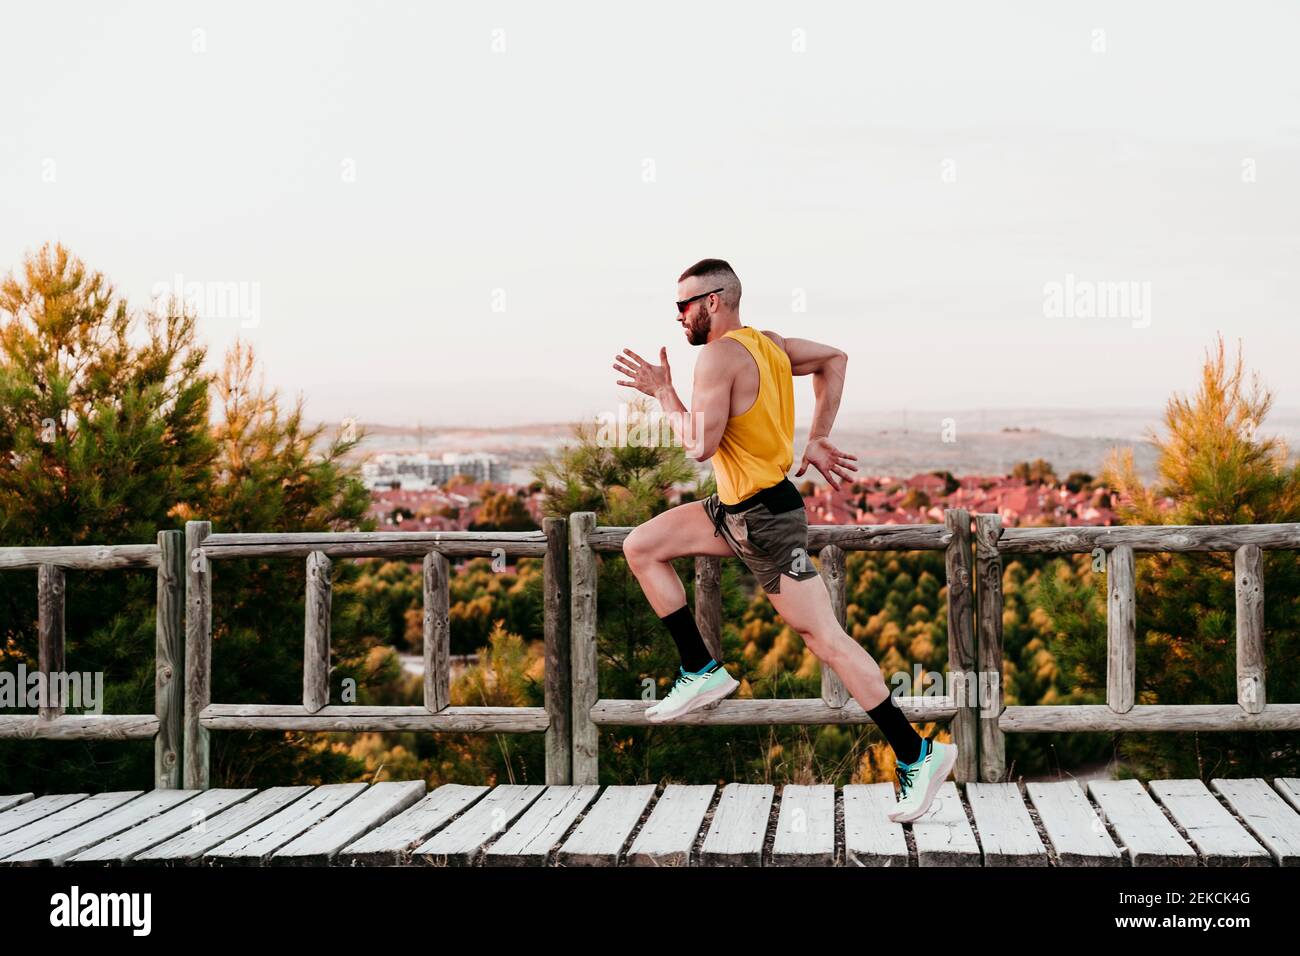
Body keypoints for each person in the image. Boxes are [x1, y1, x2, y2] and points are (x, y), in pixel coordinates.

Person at [612, 258, 956, 823]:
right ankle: (700, 669)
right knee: (642, 546)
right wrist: (816, 438)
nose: (678, 317)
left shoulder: (718, 355)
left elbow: (698, 446)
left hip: (766, 521)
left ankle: (917, 753)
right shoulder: (768, 345)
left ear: (713, 301)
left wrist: (663, 392)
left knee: (826, 639)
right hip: (733, 510)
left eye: (684, 305)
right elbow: (834, 358)